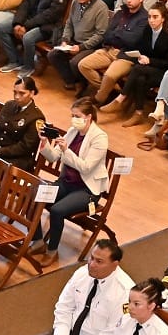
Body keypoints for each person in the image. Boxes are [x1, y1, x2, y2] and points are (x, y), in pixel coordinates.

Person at [31, 98, 108, 260]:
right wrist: (45, 143)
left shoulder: (100, 138)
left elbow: (86, 167)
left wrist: (67, 150)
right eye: (72, 115)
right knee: (33, 197)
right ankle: (38, 241)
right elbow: (53, 157)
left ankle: (52, 251)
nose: (73, 119)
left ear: (88, 117)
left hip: (86, 189)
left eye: (77, 116)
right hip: (66, 183)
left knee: (57, 210)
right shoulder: (73, 132)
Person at [104, 4, 168, 125]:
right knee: (140, 78)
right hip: (147, 69)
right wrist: (140, 57)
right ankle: (138, 113)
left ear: (163, 18)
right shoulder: (147, 30)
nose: (151, 20)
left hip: (166, 72)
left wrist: (150, 61)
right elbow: (142, 49)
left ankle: (121, 98)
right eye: (150, 17)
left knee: (137, 69)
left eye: (155, 17)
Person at [76, 0, 149, 103]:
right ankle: (111, 91)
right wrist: (121, 34)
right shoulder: (121, 13)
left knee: (109, 76)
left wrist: (118, 33)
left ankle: (98, 100)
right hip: (109, 49)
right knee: (83, 65)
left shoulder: (144, 18)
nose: (129, 0)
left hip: (126, 55)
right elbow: (107, 34)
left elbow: (133, 41)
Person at [3, 0, 68, 76]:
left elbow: (49, 15)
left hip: (48, 27)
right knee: (1, 28)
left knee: (28, 38)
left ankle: (28, 67)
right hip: (31, 21)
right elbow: (26, 3)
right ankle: (16, 60)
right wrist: (18, 22)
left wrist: (26, 26)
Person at [48, 0, 110, 93]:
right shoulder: (75, 2)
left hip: (90, 46)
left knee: (75, 62)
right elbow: (69, 23)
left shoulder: (101, 8)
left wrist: (81, 47)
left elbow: (100, 34)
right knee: (53, 55)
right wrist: (65, 39)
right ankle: (72, 81)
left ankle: (82, 83)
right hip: (74, 41)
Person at [0, 76, 44, 172]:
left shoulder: (36, 117)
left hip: (16, 159)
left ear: (31, 93)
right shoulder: (9, 105)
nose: (17, 97)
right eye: (15, 92)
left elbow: (25, 147)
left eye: (22, 93)